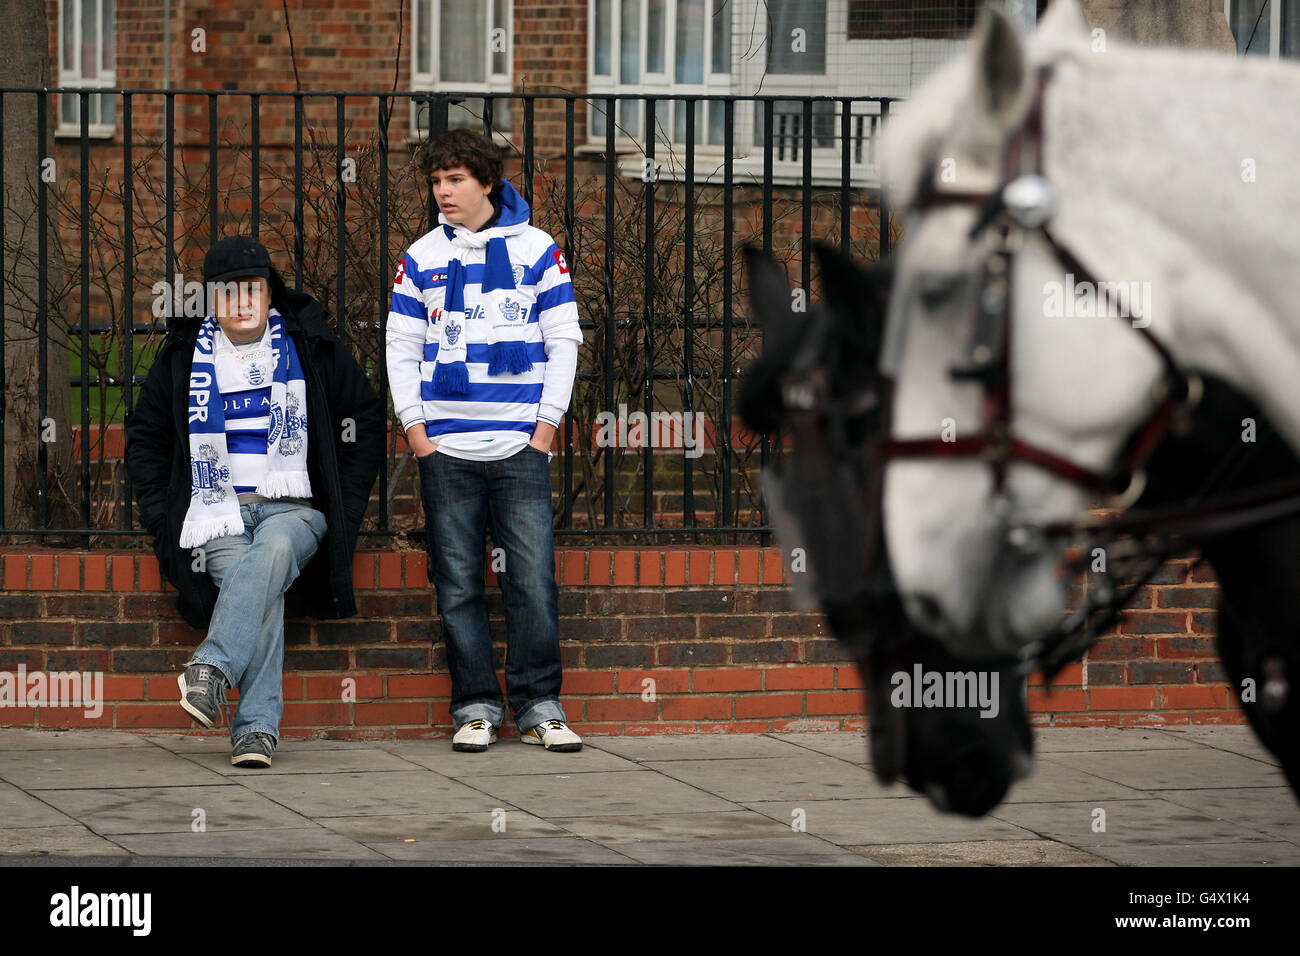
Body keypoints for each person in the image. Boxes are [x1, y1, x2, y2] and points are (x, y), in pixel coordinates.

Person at [125, 236, 384, 767]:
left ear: (270, 295)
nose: (242, 302)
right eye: (229, 293)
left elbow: (365, 420)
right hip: (215, 514)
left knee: (269, 553)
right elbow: (145, 440)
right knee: (258, 583)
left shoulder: (310, 347)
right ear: (212, 301)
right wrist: (161, 516)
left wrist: (346, 511)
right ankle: (255, 732)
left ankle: (213, 669)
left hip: (293, 509)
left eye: (254, 290)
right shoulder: (183, 357)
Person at [386, 128, 584, 753]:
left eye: (455, 181)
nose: (443, 192)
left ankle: (539, 707)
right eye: (436, 182)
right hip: (446, 452)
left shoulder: (537, 249)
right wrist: (417, 433)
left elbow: (564, 340)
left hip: (521, 447)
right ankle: (474, 707)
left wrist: (546, 427)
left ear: (487, 184)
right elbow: (400, 345)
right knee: (459, 585)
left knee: (531, 580)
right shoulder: (419, 257)